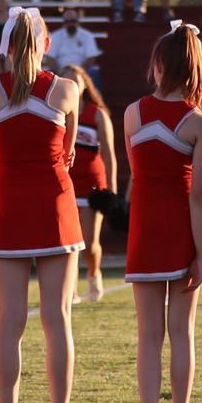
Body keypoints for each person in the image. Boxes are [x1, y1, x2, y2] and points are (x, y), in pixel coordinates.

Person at [0, 7, 84, 403]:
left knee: (9, 320)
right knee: (57, 318)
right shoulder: (68, 89)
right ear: (46, 45)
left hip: (8, 205)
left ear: (6, 47)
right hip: (56, 206)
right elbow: (68, 155)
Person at [123, 22, 202, 403]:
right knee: (181, 333)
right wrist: (201, 250)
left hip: (143, 228)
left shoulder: (132, 113)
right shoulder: (200, 123)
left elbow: (137, 176)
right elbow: (198, 196)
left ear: (161, 65)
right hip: (181, 230)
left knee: (147, 336)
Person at [63, 64, 116, 303]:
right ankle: (71, 290)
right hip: (66, 182)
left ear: (85, 84)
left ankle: (94, 276)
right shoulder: (56, 111)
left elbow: (109, 153)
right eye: (66, 79)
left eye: (76, 79)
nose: (72, 83)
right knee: (68, 241)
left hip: (93, 183)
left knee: (90, 242)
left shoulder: (96, 114)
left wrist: (111, 188)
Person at [48, 6, 101, 78]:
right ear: (63, 23)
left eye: (73, 21)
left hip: (82, 71)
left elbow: (91, 58)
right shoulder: (55, 36)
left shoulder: (87, 36)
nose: (70, 24)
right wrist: (61, 72)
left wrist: (79, 72)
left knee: (94, 72)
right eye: (67, 22)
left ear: (77, 21)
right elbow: (50, 58)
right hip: (60, 71)